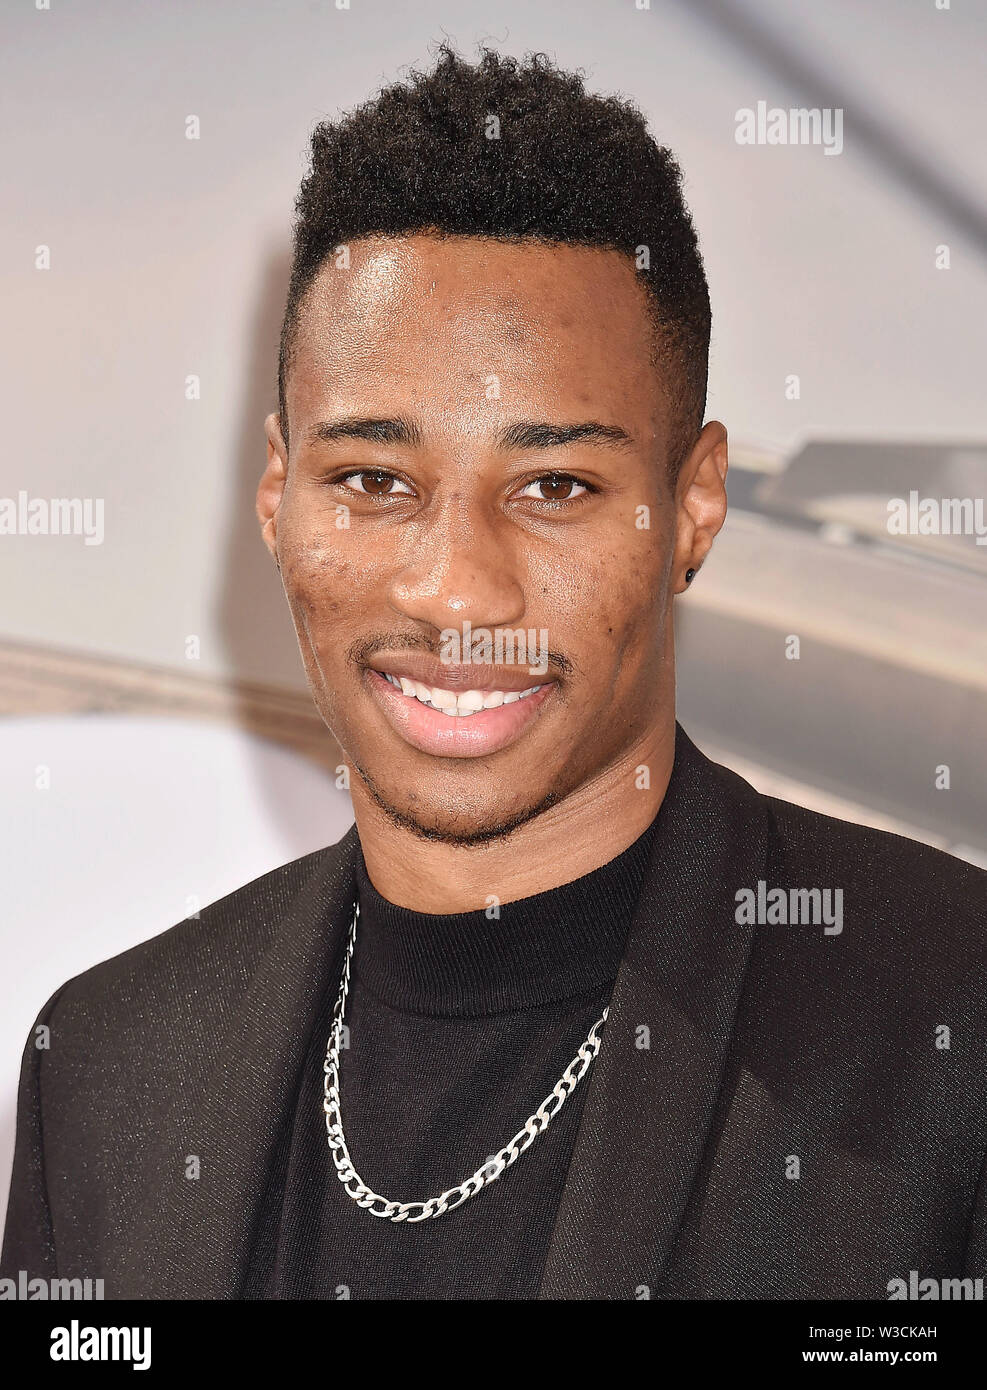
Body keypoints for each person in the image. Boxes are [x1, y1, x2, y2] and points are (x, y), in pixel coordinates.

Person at [3, 45, 985, 1302]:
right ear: (276, 492)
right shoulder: (106, 1063)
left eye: (556, 486)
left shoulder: (950, 1020)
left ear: (691, 506)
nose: (456, 589)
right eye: (372, 480)